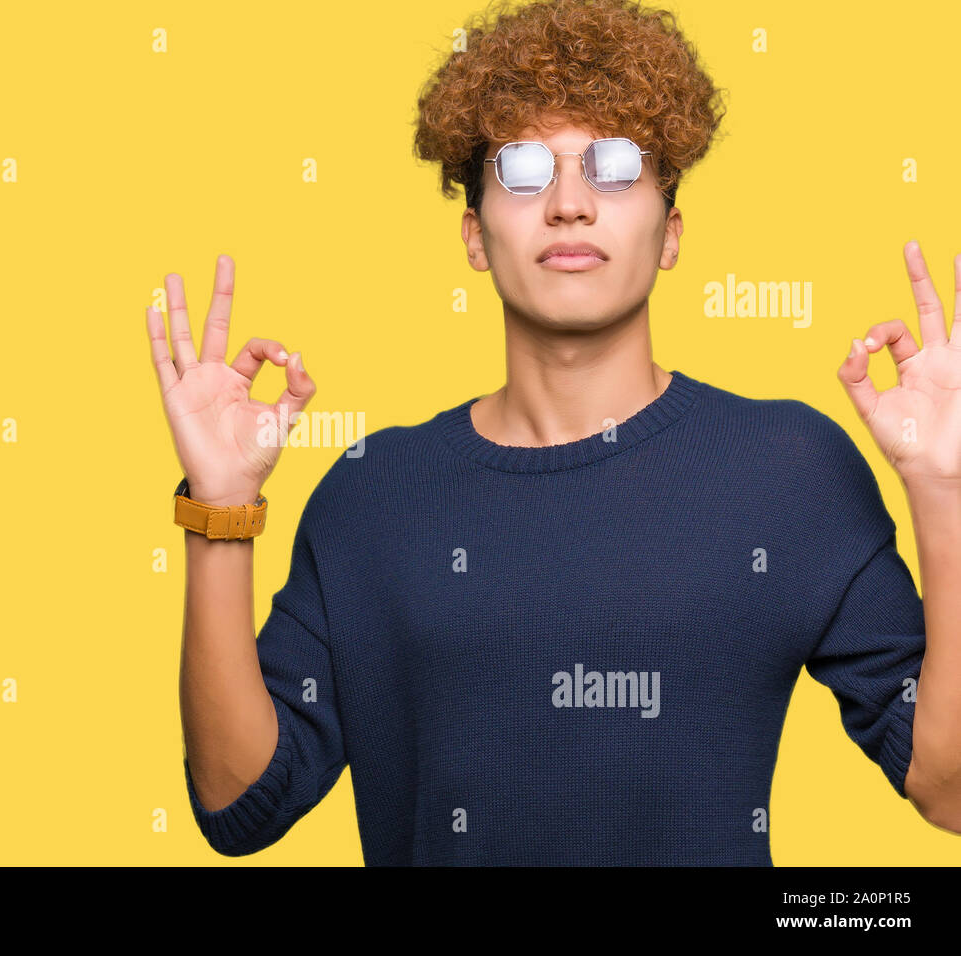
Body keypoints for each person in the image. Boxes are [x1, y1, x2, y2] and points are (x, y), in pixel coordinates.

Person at [147, 0, 961, 864]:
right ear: (474, 235)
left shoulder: (788, 471)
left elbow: (948, 789)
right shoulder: (372, 491)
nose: (570, 203)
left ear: (672, 233)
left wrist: (945, 492)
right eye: (525, 170)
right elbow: (238, 803)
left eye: (613, 168)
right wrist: (220, 510)